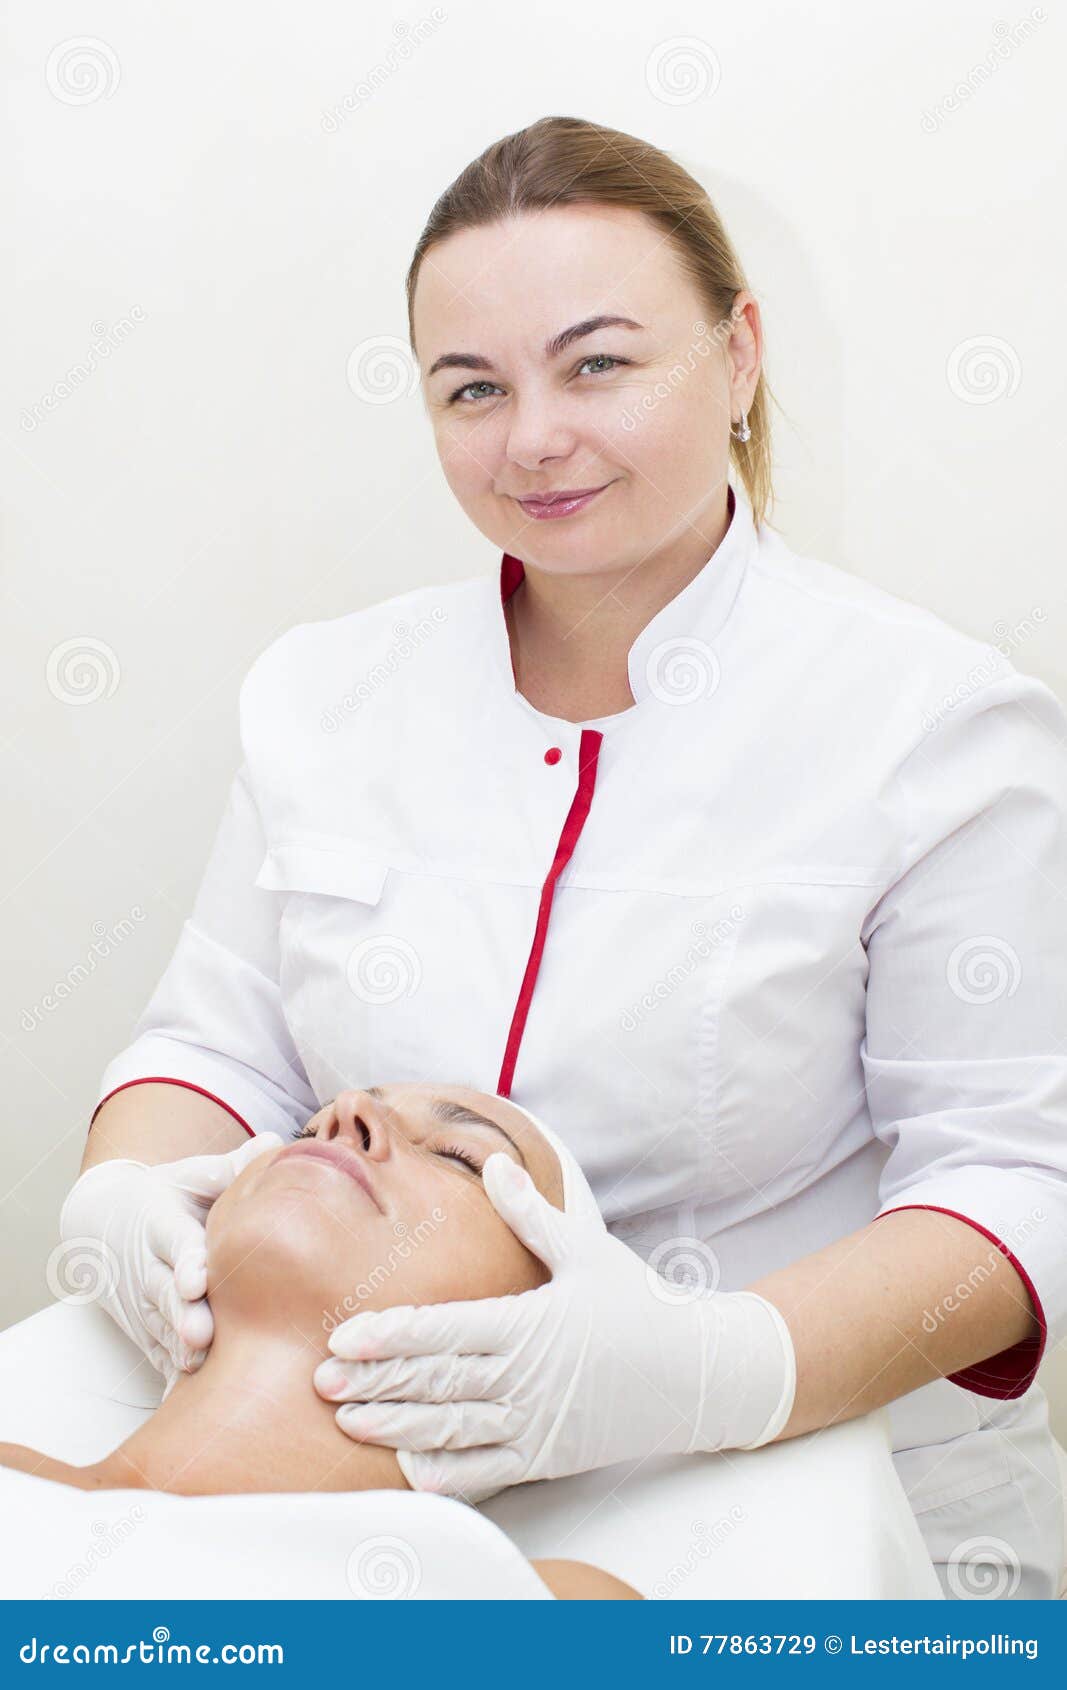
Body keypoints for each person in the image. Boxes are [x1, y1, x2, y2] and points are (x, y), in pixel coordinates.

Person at [61, 115, 1067, 1597]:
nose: (531, 437)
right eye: (471, 387)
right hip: (336, 1482)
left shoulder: (928, 727)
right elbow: (211, 1046)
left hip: (812, 1495)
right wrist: (123, 1194)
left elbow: (1009, 1184)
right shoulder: (324, 698)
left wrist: (708, 1371)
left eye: (597, 363)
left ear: (735, 357)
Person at [12, 1086, 642, 1599]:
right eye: (305, 1133)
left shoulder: (535, 1606)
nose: (347, 1111)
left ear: (548, 1327)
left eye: (461, 1157)